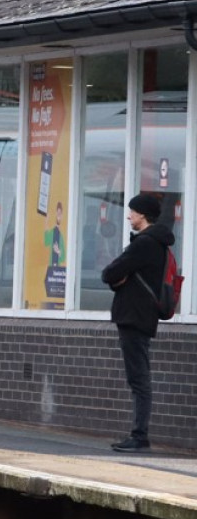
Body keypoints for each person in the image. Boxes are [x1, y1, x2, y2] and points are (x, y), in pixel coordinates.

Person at [103, 193, 175, 452]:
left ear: (142, 214)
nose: (128, 216)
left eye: (132, 211)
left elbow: (109, 273)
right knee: (138, 377)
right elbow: (117, 276)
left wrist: (119, 278)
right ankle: (138, 434)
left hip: (134, 316)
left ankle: (139, 436)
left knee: (139, 379)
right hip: (140, 315)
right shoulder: (155, 243)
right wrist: (120, 278)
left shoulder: (144, 243)